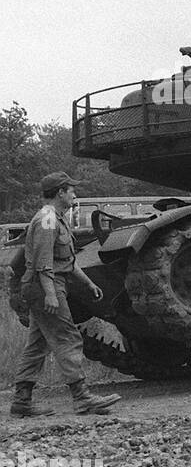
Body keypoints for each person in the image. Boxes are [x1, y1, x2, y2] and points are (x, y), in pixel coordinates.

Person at [11, 172, 121, 416]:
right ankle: (82, 398)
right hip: (44, 287)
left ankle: (22, 401)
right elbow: (43, 262)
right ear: (60, 192)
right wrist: (50, 294)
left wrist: (89, 283)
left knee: (38, 344)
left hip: (46, 285)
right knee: (68, 337)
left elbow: (68, 262)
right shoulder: (48, 219)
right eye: (71, 190)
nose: (74, 194)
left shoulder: (57, 219)